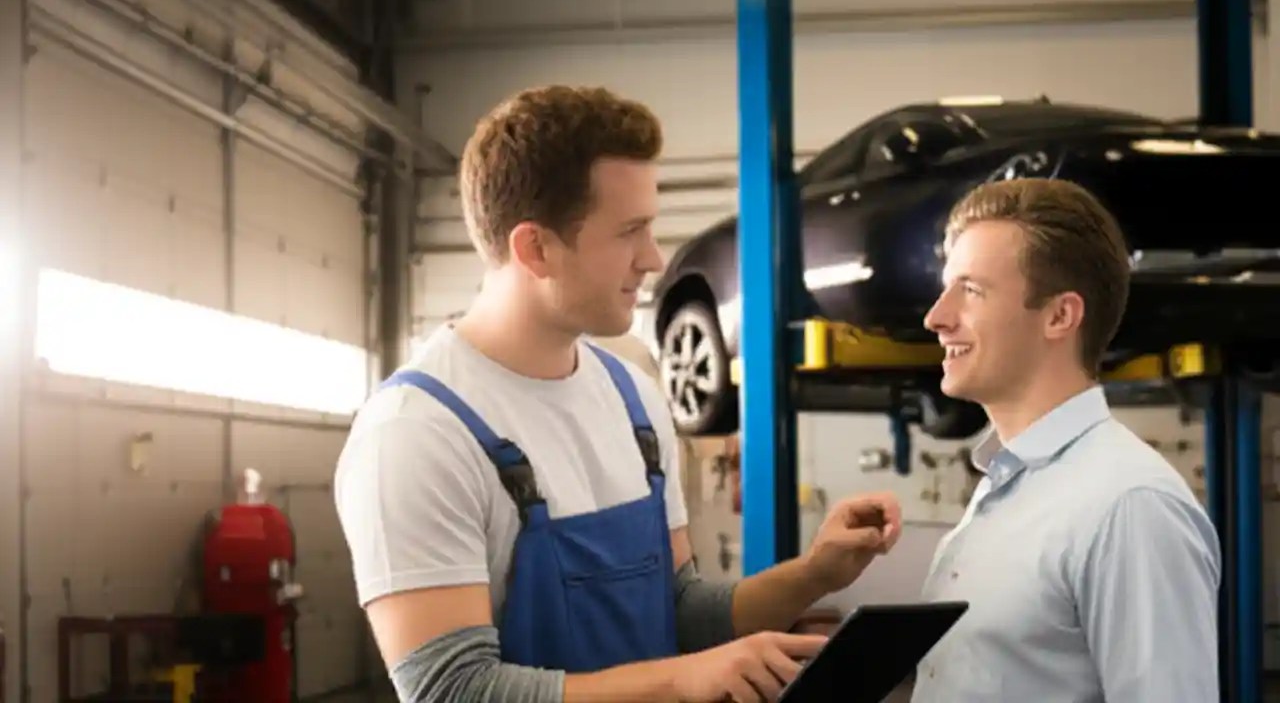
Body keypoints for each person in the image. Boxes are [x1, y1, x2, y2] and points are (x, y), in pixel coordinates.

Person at [333, 85, 903, 703]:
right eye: (630, 232)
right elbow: (451, 689)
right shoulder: (416, 434)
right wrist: (684, 679)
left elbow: (680, 612)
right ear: (536, 249)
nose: (653, 259)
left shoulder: (634, 396)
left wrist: (814, 574)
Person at [910, 178, 1221, 702]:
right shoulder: (1007, 485)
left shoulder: (1130, 506)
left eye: (971, 291)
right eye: (946, 289)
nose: (936, 318)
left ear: (1059, 316)